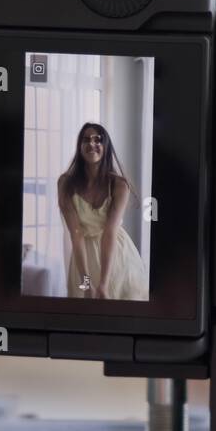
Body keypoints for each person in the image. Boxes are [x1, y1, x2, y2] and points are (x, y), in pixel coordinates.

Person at [57, 122, 147, 301]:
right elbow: (76, 234)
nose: (92, 143)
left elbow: (110, 232)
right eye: (86, 139)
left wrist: (103, 283)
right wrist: (87, 283)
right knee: (84, 308)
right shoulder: (66, 183)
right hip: (83, 258)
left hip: (117, 256)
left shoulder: (120, 185)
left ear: (106, 146)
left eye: (98, 139)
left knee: (123, 310)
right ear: (80, 146)